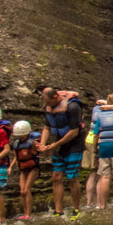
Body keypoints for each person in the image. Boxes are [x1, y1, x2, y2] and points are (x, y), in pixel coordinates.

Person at [40, 86, 86, 218]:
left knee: (72, 177)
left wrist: (55, 144)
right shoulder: (49, 108)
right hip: (59, 144)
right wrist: (43, 144)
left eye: (48, 102)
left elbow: (74, 131)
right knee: (56, 177)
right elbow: (47, 127)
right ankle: (58, 210)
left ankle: (76, 209)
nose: (47, 105)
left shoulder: (72, 107)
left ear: (55, 97)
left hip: (74, 145)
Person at [12, 120, 41, 220]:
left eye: (23, 135)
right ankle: (25, 213)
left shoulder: (32, 142)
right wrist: (10, 167)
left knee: (26, 190)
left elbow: (38, 150)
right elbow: (16, 157)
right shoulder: (16, 144)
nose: (21, 137)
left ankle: (29, 214)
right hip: (23, 169)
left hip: (32, 168)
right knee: (22, 191)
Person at [83, 93, 105, 209]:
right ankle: (99, 204)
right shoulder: (105, 110)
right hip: (99, 141)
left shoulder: (95, 109)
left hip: (89, 139)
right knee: (101, 174)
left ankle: (89, 203)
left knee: (93, 173)